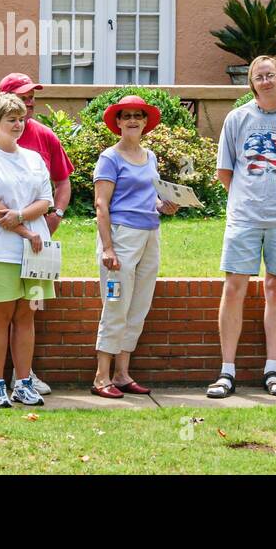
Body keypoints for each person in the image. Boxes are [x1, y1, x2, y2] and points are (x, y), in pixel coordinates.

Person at [0, 73, 72, 398]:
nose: (18, 124)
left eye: (21, 119)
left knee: (26, 316)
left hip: (36, 250)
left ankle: (23, 383)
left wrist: (22, 219)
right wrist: (24, 230)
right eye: (11, 119)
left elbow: (46, 199)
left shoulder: (33, 157)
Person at [207, 56, 276, 399]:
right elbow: (225, 171)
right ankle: (226, 371)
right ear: (251, 83)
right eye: (259, 76)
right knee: (234, 287)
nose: (265, 81)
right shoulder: (237, 119)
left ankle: (272, 368)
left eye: (271, 75)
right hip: (244, 217)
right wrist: (248, 198)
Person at [90, 95, 179, 399]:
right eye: (125, 116)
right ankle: (101, 377)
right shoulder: (109, 158)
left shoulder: (150, 156)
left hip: (150, 236)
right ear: (117, 122)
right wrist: (108, 248)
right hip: (121, 237)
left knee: (139, 305)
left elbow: (149, 198)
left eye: (137, 116)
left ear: (145, 122)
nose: (132, 120)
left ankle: (122, 374)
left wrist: (164, 206)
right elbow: (102, 206)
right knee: (116, 303)